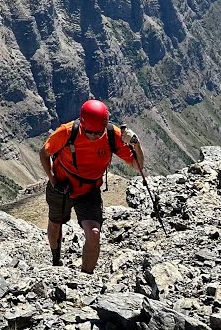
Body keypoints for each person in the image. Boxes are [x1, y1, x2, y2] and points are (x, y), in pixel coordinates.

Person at [39, 99, 144, 273]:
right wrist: (53, 181)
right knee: (55, 224)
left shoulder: (112, 135)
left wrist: (136, 145)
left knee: (94, 234)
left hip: (89, 190)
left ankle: (85, 277)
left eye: (98, 133)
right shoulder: (66, 132)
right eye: (89, 132)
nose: (94, 137)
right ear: (82, 124)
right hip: (62, 186)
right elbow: (44, 153)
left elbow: (136, 164)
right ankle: (56, 260)